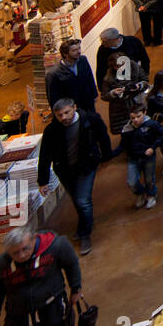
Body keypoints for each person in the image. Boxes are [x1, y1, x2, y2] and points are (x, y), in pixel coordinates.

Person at [37, 98, 111, 256]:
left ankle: (85, 234)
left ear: (74, 108)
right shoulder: (51, 130)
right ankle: (84, 224)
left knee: (83, 201)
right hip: (65, 171)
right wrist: (42, 181)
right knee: (77, 200)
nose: (63, 117)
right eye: (59, 115)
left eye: (66, 112)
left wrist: (106, 156)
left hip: (86, 167)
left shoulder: (90, 120)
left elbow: (103, 137)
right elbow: (44, 155)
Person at [119, 103, 163, 209]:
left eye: (138, 116)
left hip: (148, 157)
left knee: (149, 179)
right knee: (131, 181)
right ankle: (140, 193)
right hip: (133, 158)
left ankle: (151, 195)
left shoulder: (151, 124)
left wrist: (152, 147)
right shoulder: (127, 129)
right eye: (132, 118)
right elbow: (122, 145)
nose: (135, 120)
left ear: (144, 113)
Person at [45, 39, 97, 117]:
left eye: (79, 48)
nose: (79, 51)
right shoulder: (53, 73)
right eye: (74, 50)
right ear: (65, 54)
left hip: (88, 104)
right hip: (71, 110)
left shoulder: (83, 60)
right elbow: (53, 97)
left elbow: (90, 78)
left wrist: (94, 95)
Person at [99, 49, 146, 134]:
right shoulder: (108, 78)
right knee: (127, 131)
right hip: (120, 108)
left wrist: (139, 86)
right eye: (117, 66)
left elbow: (145, 80)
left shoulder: (135, 68)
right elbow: (104, 96)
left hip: (137, 102)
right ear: (112, 66)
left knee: (142, 126)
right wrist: (113, 93)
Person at [94, 27, 150, 92]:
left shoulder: (133, 41)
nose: (102, 43)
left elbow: (144, 59)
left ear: (114, 39)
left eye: (105, 41)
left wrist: (145, 75)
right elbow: (100, 70)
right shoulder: (102, 50)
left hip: (136, 81)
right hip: (117, 86)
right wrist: (102, 89)